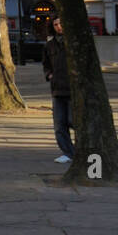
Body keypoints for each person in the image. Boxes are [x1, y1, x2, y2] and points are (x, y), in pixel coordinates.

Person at [42, 17, 74, 164]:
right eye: (55, 24)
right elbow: (46, 64)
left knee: (73, 121)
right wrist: (49, 75)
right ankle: (67, 152)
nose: (59, 27)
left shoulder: (74, 41)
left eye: (61, 23)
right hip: (57, 89)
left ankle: (78, 151)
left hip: (73, 89)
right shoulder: (50, 45)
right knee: (59, 124)